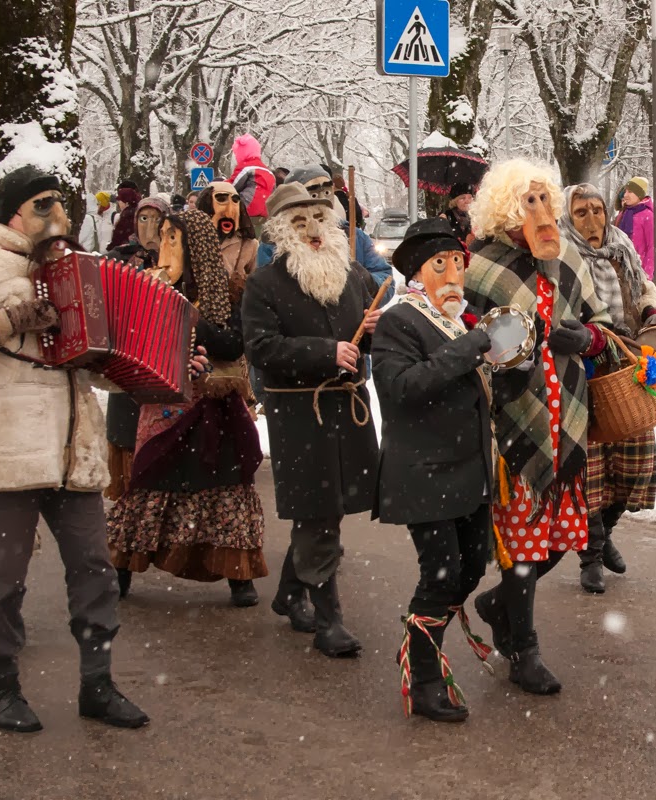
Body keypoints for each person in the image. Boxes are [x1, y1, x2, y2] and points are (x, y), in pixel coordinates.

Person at [0, 165, 161, 732]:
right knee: (3, 578)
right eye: (45, 204)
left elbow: (95, 355)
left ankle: (97, 684)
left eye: (62, 203)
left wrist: (151, 371)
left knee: (94, 568)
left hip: (74, 449)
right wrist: (7, 318)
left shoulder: (76, 270)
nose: (60, 215)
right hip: (8, 450)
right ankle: (1, 689)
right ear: (15, 212)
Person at [464, 159, 611, 694]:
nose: (544, 212)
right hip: (511, 420)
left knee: (558, 540)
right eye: (531, 202)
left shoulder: (566, 255)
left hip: (565, 411)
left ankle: (499, 602)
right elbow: (464, 340)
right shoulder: (479, 265)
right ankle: (524, 649)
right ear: (506, 209)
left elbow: (602, 325)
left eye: (547, 199)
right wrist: (503, 360)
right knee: (524, 544)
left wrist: (585, 339)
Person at [242, 182, 382, 658]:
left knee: (326, 510)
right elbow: (260, 349)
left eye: (318, 219)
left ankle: (288, 593)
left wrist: (374, 330)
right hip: (301, 414)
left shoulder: (355, 274)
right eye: (299, 222)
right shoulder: (265, 285)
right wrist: (324, 352)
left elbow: (363, 336)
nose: (313, 230)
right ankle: (329, 620)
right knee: (319, 512)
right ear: (281, 231)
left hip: (349, 408)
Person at [106, 208, 267, 607]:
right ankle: (123, 567)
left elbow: (233, 344)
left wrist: (190, 322)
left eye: (172, 239)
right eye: (162, 237)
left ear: (195, 248)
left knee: (225, 486)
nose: (163, 247)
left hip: (214, 406)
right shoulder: (146, 286)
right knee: (150, 480)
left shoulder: (224, 292)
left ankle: (237, 572)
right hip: (163, 406)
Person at [372, 218, 494, 722]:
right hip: (424, 473)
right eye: (439, 265)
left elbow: (476, 388)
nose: (452, 275)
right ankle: (423, 679)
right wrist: (470, 349)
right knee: (441, 577)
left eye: (458, 264)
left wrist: (511, 358)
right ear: (417, 275)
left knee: (470, 569)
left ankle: (420, 643)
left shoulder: (461, 322)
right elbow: (400, 390)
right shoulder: (399, 321)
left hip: (469, 472)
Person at [559, 183, 656, 594]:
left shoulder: (621, 246)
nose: (592, 220)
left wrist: (651, 310)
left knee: (635, 462)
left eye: (598, 210)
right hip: (585, 368)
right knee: (593, 469)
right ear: (568, 217)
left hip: (629, 361)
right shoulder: (561, 256)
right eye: (581, 212)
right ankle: (590, 553)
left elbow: (643, 287)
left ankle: (605, 535)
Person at [103, 195, 170, 508]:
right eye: (143, 218)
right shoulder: (118, 257)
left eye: (156, 219)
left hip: (162, 353)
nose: (149, 226)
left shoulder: (176, 254)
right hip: (127, 352)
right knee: (126, 429)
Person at [279, 167, 393, 298]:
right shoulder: (278, 241)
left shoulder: (354, 236)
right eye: (314, 194)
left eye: (327, 191)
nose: (323, 199)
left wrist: (367, 282)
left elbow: (385, 280)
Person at [197, 180, 258, 293]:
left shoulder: (249, 245)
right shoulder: (193, 239)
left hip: (234, 307)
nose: (230, 211)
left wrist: (241, 283)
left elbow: (259, 283)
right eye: (221, 200)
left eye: (235, 201)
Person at [230, 134, 275, 238]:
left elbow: (232, 186)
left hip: (246, 209)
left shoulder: (246, 167)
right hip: (264, 214)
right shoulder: (269, 172)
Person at [615, 177, 655, 279]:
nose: (625, 195)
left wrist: (647, 274)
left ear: (639, 194)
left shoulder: (648, 215)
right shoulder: (624, 212)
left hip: (638, 271)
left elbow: (652, 246)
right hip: (621, 268)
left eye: (630, 192)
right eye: (625, 192)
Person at [108, 183, 140, 251]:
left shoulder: (127, 215)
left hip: (125, 252)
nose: (118, 203)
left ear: (127, 202)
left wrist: (110, 248)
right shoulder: (137, 212)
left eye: (120, 200)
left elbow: (118, 237)